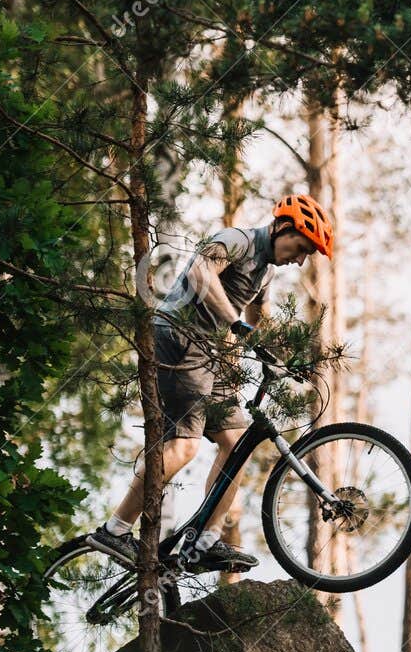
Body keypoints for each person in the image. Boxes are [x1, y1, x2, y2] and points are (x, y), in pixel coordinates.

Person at [88, 194, 334, 572]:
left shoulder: (266, 271)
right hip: (177, 337)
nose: (300, 260)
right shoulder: (237, 240)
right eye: (301, 248)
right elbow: (200, 272)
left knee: (237, 443)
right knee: (184, 445)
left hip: (207, 352)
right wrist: (235, 324)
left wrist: (282, 356)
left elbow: (256, 319)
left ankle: (204, 542)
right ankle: (115, 529)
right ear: (282, 228)